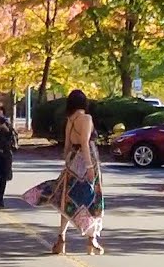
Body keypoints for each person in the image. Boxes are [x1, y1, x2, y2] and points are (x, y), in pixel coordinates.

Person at [22, 90, 105, 255]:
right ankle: (91, 240)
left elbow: (67, 146)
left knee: (66, 201)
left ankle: (61, 239)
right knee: (92, 200)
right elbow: (85, 143)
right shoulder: (86, 119)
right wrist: (89, 167)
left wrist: (69, 162)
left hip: (73, 162)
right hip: (87, 163)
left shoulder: (70, 121)